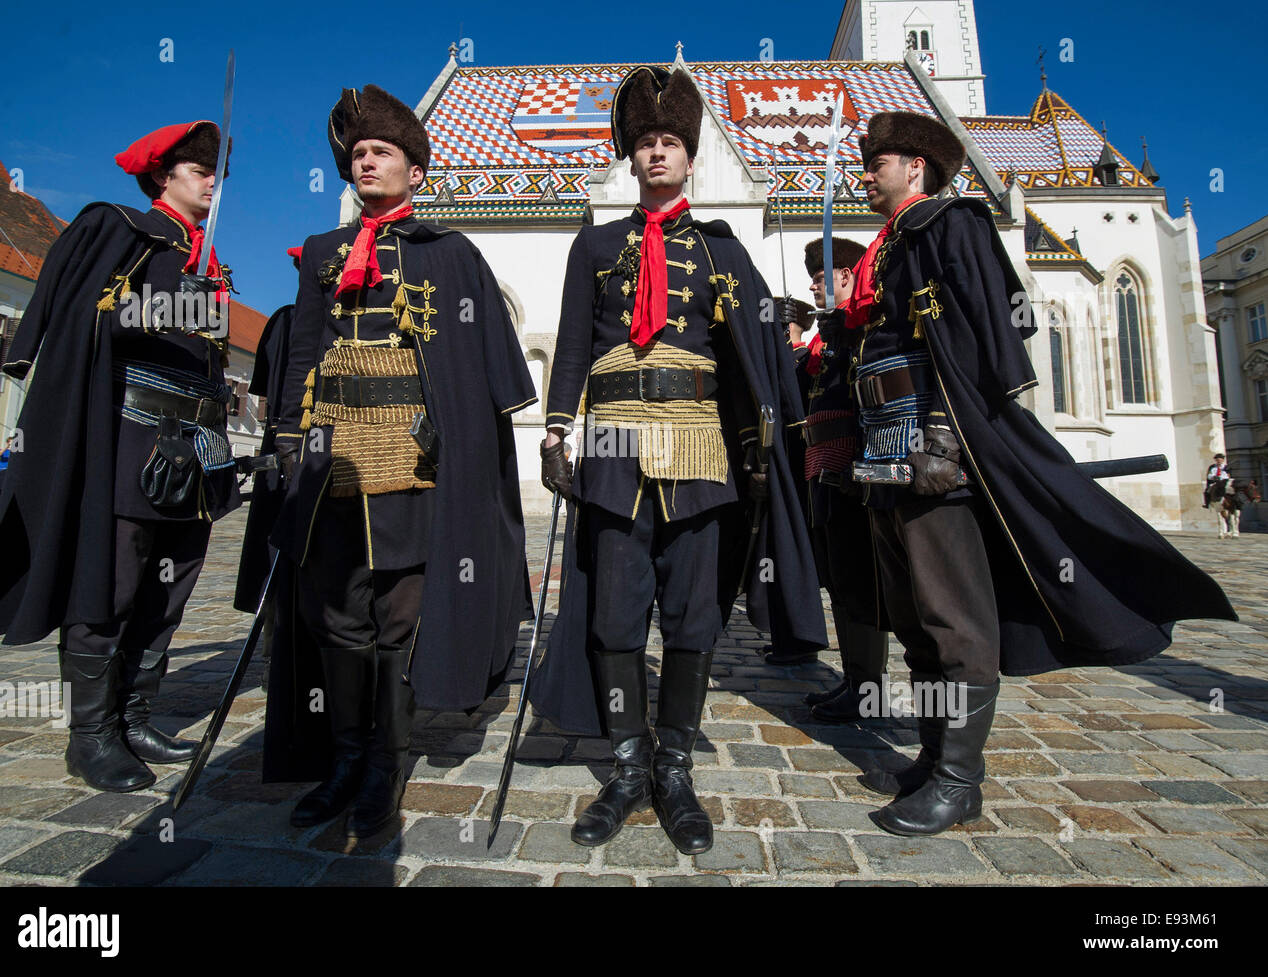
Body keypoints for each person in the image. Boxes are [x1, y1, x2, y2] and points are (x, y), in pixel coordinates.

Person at [840, 111, 1236, 836]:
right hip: (886, 455)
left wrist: (941, 436)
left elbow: (998, 327)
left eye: (879, 161)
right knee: (914, 621)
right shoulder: (894, 246)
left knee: (952, 618)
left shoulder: (953, 224)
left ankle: (960, 779)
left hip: (938, 454)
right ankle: (935, 758)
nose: (867, 173)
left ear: (916, 167)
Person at [529, 66, 826, 855]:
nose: (657, 153)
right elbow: (571, 346)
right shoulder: (593, 244)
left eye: (669, 142)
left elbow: (759, 347)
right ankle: (627, 768)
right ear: (631, 157)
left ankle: (677, 767)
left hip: (700, 443)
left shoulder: (722, 251)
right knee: (616, 609)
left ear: (690, 157)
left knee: (694, 615)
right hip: (617, 437)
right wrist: (559, 431)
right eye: (645, 143)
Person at [266, 85, 537, 839]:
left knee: (400, 617)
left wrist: (474, 463)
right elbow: (299, 355)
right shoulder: (322, 254)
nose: (366, 163)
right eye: (357, 155)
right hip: (331, 461)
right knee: (338, 616)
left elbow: (477, 373)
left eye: (381, 152)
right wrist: (288, 440)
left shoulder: (449, 253)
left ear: (417, 171)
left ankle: (388, 759)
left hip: (412, 460)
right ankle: (345, 756)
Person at [0, 121, 241, 792]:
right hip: (131, 437)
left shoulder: (206, 261)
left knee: (169, 590)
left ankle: (136, 712)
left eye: (217, 170)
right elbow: (81, 318)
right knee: (110, 582)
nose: (213, 179)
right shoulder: (121, 230)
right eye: (198, 168)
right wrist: (154, 310)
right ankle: (91, 735)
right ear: (162, 176)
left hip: (197, 444)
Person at [769, 238, 894, 723]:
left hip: (855, 467)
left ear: (846, 275)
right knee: (840, 581)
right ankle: (855, 679)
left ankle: (870, 690)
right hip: (822, 469)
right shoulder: (827, 338)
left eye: (822, 277)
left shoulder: (862, 328)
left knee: (859, 580)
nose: (814, 285)